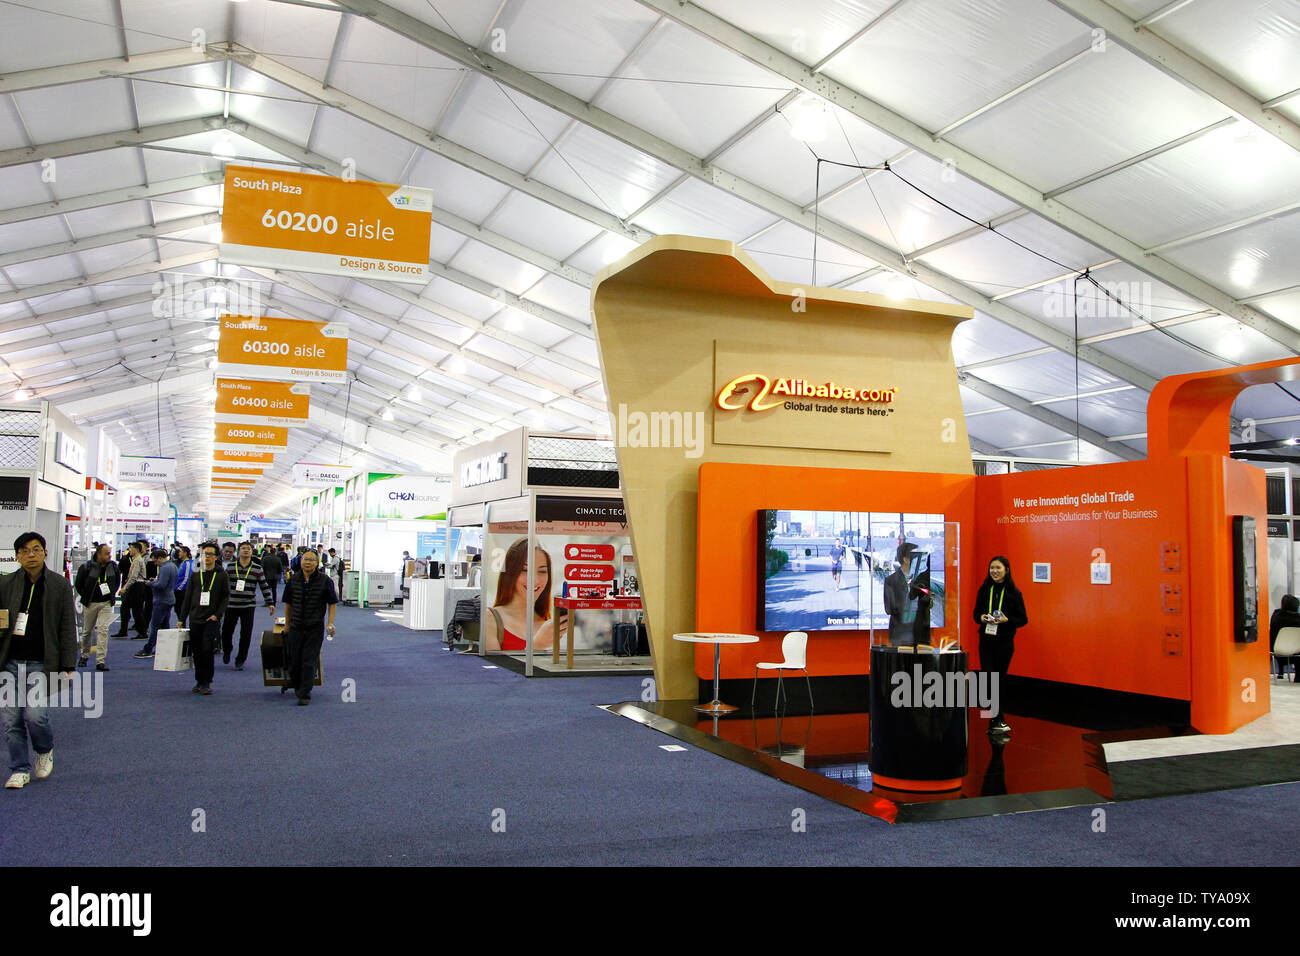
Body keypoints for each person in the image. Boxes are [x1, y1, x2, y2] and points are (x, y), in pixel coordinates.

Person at [1, 532, 77, 789]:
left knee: (35, 716)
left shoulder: (59, 584)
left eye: (35, 549)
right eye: (24, 551)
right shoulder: (6, 583)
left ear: (45, 552)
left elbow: (68, 626)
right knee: (11, 719)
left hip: (42, 663)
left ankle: (44, 750)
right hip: (9, 662)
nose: (30, 555)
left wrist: (68, 664)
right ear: (17, 556)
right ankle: (19, 768)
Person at [973, 555, 1028, 738]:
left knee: (999, 678)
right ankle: (997, 716)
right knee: (989, 676)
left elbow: (1023, 619)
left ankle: (997, 717)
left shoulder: (1014, 593)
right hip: (986, 640)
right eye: (992, 568)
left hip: (1004, 641)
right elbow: (975, 614)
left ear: (1006, 570)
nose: (994, 571)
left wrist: (1006, 620)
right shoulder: (984, 589)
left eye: (998, 568)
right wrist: (982, 618)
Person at [281, 549, 337, 706]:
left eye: (312, 560)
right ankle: (298, 687)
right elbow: (288, 604)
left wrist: (330, 623)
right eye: (306, 559)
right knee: (295, 660)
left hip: (315, 627)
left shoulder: (325, 581)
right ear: (300, 561)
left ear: (317, 563)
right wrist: (287, 623)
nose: (308, 562)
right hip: (295, 626)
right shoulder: (293, 580)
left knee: (309, 661)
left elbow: (332, 603)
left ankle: (305, 693)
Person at [482, 538, 555, 652]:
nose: (535, 580)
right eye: (525, 570)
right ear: (511, 573)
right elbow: (492, 669)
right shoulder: (490, 619)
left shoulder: (549, 626)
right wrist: (536, 647)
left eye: (542, 571)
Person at [177, 543, 228, 695]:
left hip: (211, 619)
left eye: (211, 554)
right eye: (205, 554)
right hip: (195, 617)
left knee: (207, 649)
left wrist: (218, 614)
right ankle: (199, 680)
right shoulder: (195, 574)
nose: (208, 557)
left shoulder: (221, 575)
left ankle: (207, 681)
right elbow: (188, 597)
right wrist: (182, 618)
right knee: (197, 651)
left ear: (216, 557)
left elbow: (225, 596)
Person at [221, 541, 274, 670]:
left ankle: (240, 659)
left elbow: (264, 585)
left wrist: (270, 602)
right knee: (226, 632)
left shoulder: (257, 568)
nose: (246, 550)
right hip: (231, 605)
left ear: (251, 551)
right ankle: (227, 650)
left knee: (246, 634)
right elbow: (223, 586)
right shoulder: (230, 567)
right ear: (238, 551)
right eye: (243, 548)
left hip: (248, 606)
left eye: (248, 548)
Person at [74, 543, 118, 671]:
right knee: (87, 631)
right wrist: (87, 596)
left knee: (103, 630)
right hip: (91, 603)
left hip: (106, 603)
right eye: (107, 553)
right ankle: (84, 655)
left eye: (110, 553)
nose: (110, 556)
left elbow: (116, 581)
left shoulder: (113, 566)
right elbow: (79, 584)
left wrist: (111, 594)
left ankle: (100, 661)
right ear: (98, 554)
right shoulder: (86, 567)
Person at [134, 549, 177, 660]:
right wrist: (156, 581)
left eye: (155, 561)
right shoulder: (173, 566)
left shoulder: (164, 568)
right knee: (165, 626)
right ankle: (164, 648)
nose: (155, 564)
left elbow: (162, 585)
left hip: (161, 600)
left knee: (155, 626)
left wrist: (150, 583)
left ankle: (148, 649)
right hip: (169, 599)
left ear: (160, 558)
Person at [883, 542, 917, 645]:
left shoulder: (920, 579)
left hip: (919, 635)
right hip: (899, 635)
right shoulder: (891, 581)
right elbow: (889, 609)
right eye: (915, 556)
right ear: (906, 559)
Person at [114, 542, 148, 638]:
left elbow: (133, 577)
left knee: (137, 611)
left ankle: (142, 632)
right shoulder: (135, 560)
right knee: (125, 608)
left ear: (136, 549)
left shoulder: (137, 560)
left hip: (136, 586)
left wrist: (124, 588)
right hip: (135, 586)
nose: (129, 550)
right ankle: (123, 631)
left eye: (131, 548)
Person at [1269, 594, 1300, 681]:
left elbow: (1272, 630)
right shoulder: (1299, 619)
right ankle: (1298, 676)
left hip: (1276, 649)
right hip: (1296, 651)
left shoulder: (1277, 616)